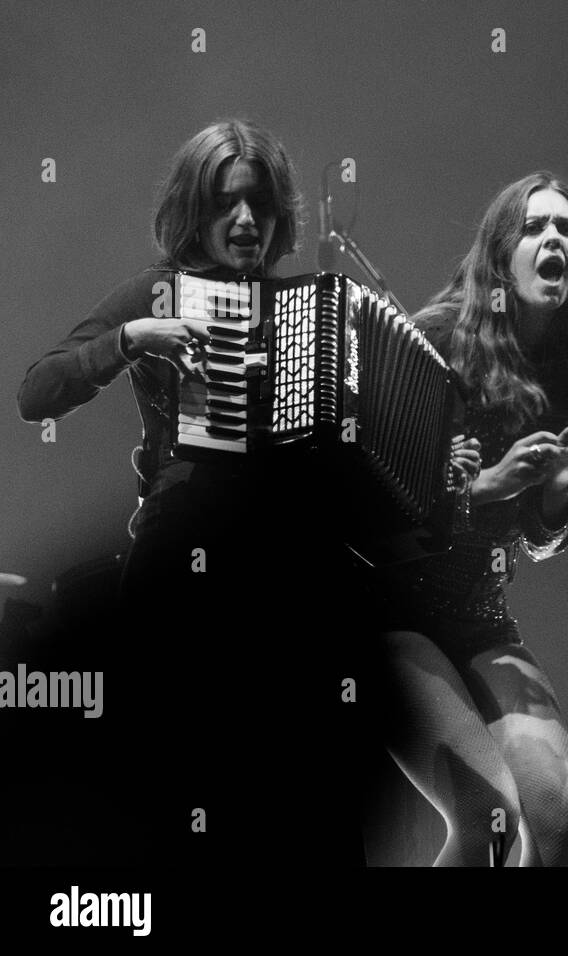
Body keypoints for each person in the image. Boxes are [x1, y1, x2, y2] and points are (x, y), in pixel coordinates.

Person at [17, 119, 361, 865]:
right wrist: (134, 337)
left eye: (260, 206)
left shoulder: (311, 308)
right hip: (188, 552)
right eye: (225, 205)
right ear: (193, 212)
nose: (245, 222)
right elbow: (36, 393)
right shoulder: (160, 291)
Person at [370, 172, 568, 866]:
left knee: (560, 817)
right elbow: (373, 502)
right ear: (500, 254)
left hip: (477, 613)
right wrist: (479, 490)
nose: (554, 238)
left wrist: (556, 499)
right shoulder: (436, 338)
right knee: (487, 818)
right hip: (389, 608)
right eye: (534, 227)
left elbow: (536, 541)